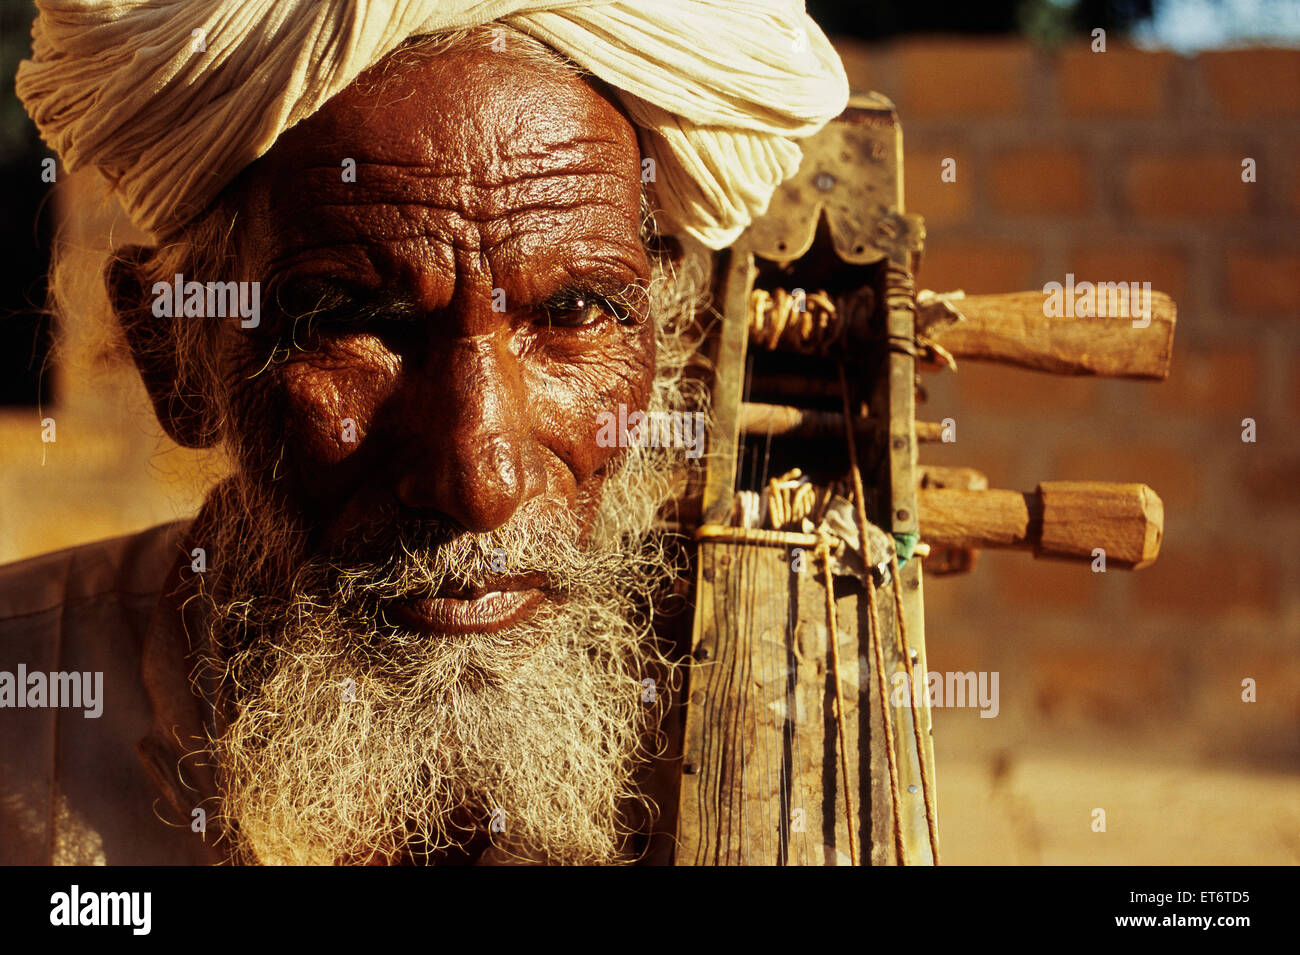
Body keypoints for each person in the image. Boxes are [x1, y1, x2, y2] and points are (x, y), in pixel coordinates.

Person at [2, 0, 847, 865]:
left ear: (667, 341)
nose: (479, 484)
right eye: (355, 321)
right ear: (175, 360)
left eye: (574, 311)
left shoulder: (779, 721)